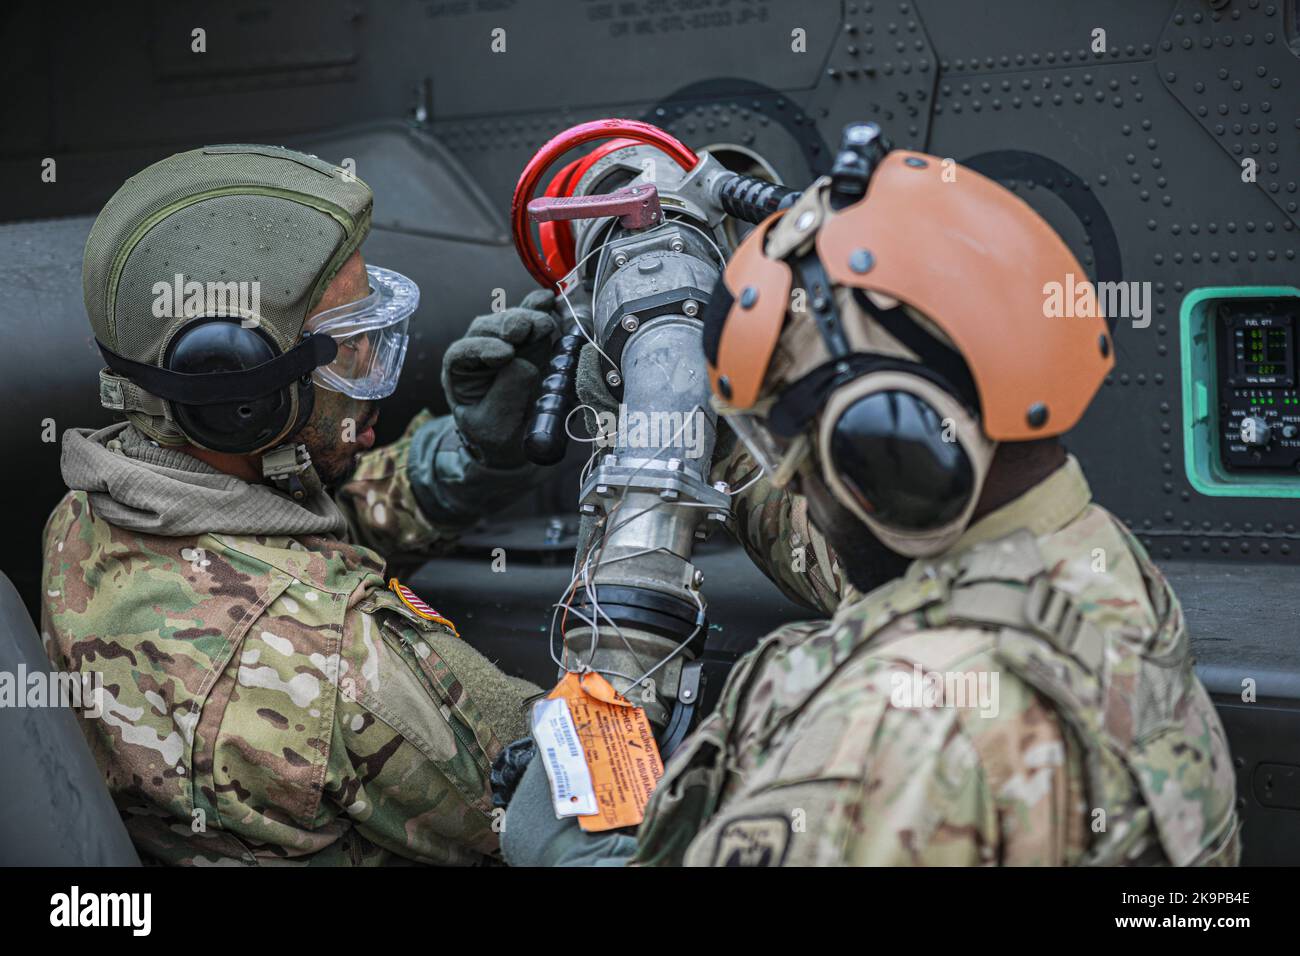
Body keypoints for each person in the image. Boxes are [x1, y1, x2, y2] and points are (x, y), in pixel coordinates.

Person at [501, 145, 1241, 866]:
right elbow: (857, 547)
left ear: (884, 440)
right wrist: (675, 406)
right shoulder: (1092, 558)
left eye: (793, 444)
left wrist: (576, 852)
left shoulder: (888, 738)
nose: (789, 481)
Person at [42, 144, 557, 865]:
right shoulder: (341, 669)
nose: (376, 374)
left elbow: (297, 544)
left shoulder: (93, 512)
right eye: (353, 348)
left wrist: (469, 454)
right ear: (241, 393)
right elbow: (590, 805)